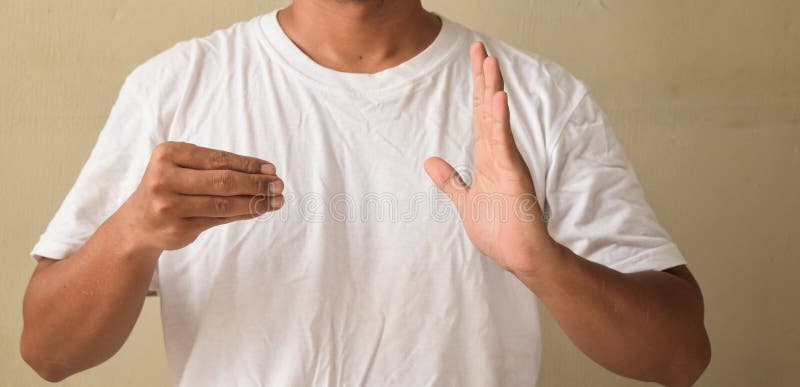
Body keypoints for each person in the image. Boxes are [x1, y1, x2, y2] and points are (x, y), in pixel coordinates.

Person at [20, 1, 711, 386]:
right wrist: (132, 232)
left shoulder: (536, 98)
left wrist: (542, 262)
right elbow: (48, 351)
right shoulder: (176, 87)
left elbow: (680, 354)